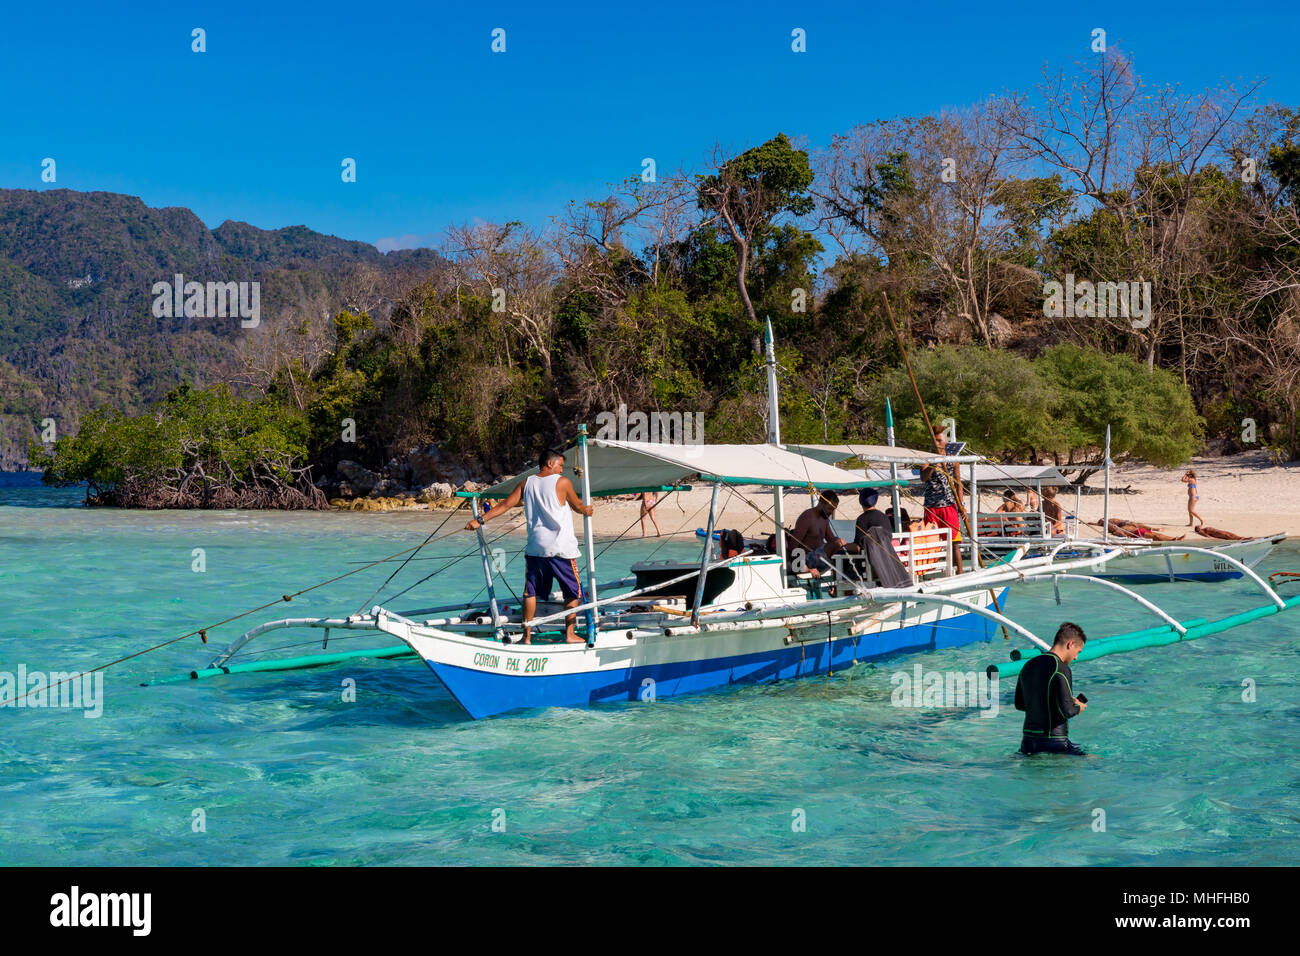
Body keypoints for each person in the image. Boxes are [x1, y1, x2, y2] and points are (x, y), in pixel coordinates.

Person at [466, 449, 594, 645]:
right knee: (571, 591)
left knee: (530, 592)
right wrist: (587, 509)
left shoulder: (526, 483)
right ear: (550, 463)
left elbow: (506, 505)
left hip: (536, 547)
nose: (561, 470)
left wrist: (480, 519)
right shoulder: (563, 482)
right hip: (561, 548)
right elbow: (577, 506)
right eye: (560, 465)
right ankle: (569, 634)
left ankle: (526, 637)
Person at [1014, 622, 1089, 756]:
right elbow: (1067, 711)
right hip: (1055, 743)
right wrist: (1078, 707)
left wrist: (1056, 700)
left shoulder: (1028, 665)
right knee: (1096, 762)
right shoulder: (1060, 668)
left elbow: (1020, 704)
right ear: (1070, 644)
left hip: (1028, 742)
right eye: (1078, 652)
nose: (1076, 657)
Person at [786, 490, 845, 577]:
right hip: (806, 559)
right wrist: (805, 568)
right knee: (837, 544)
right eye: (829, 508)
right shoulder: (807, 517)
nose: (831, 512)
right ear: (820, 503)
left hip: (820, 558)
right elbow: (793, 546)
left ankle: (839, 582)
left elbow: (831, 539)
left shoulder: (824, 518)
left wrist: (841, 542)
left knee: (842, 544)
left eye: (833, 510)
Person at [919, 462, 964, 572]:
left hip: (949, 505)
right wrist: (933, 464)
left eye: (940, 442)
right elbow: (923, 478)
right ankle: (930, 574)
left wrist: (961, 505)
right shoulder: (927, 460)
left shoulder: (953, 460)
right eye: (936, 442)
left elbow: (958, 483)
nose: (937, 443)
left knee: (954, 543)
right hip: (931, 505)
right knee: (931, 542)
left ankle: (959, 572)